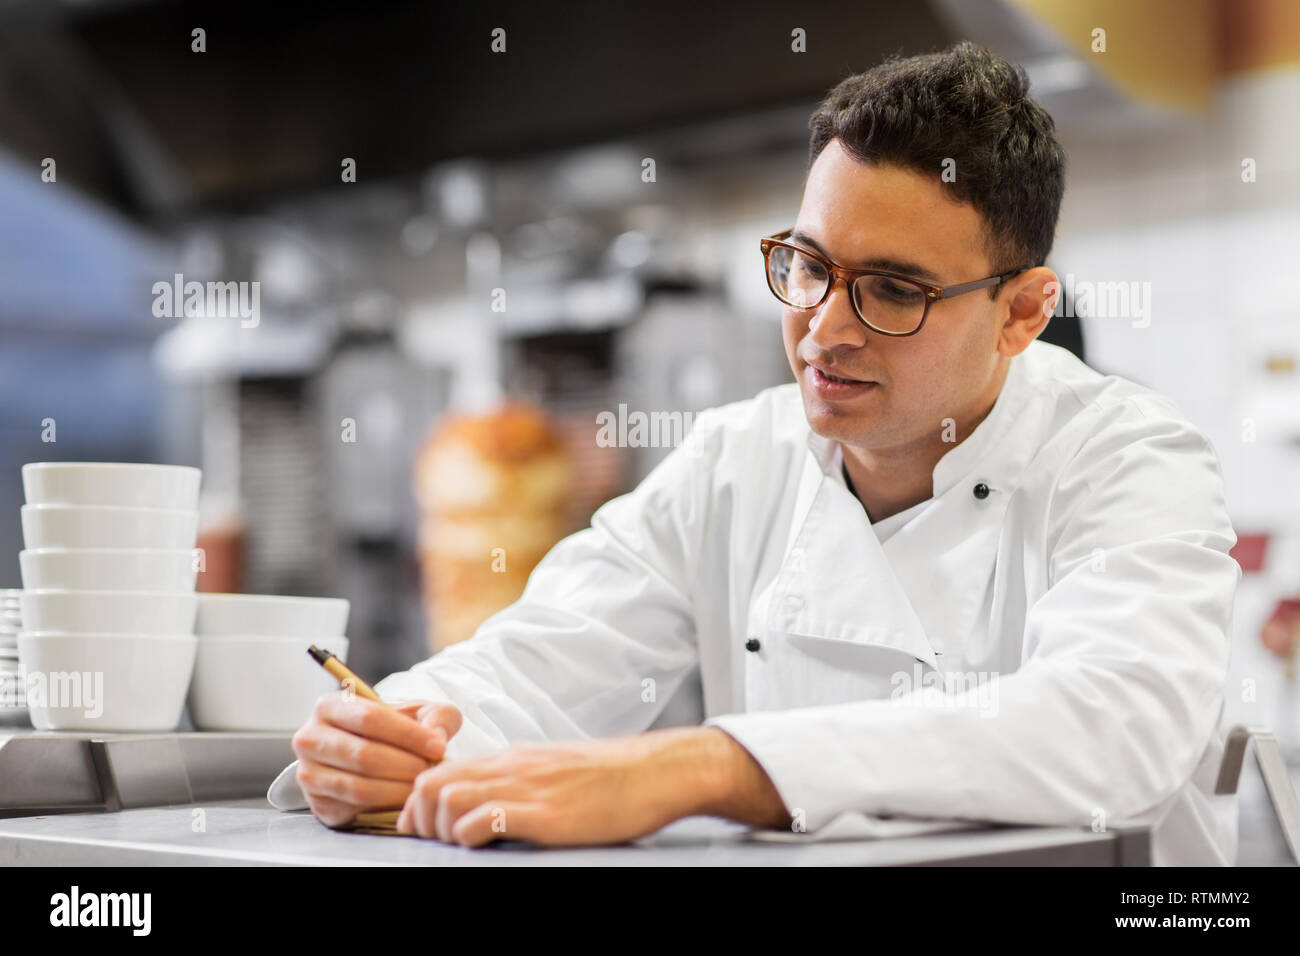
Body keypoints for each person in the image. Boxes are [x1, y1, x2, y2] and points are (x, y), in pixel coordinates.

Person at [274, 42, 1240, 866]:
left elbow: (1109, 727)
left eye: (894, 290)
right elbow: (534, 668)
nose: (823, 330)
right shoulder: (739, 457)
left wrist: (705, 766)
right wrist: (393, 731)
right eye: (811, 266)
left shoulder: (1129, 457)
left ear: (1023, 312)